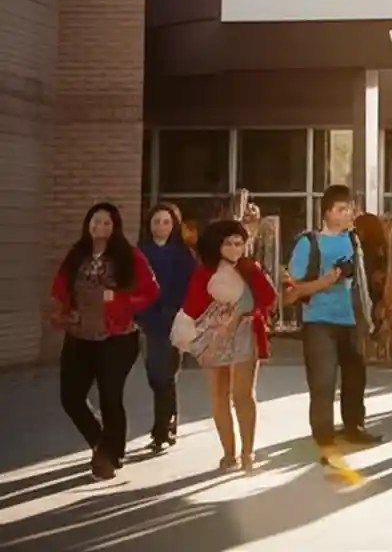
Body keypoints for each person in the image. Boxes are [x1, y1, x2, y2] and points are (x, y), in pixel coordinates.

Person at [49, 202, 160, 480]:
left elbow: (150, 291)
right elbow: (60, 287)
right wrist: (63, 311)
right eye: (96, 222)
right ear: (88, 225)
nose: (101, 227)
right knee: (71, 397)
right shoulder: (77, 254)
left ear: (115, 227)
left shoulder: (129, 256)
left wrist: (121, 301)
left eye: (107, 223)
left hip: (118, 336)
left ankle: (111, 454)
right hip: (80, 334)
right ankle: (102, 442)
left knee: (110, 396)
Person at [284, 185, 381, 467]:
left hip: (351, 319)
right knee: (323, 382)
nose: (347, 213)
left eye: (350, 208)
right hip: (319, 321)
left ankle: (354, 427)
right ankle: (325, 439)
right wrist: (329, 279)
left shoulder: (355, 241)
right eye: (341, 209)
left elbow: (362, 281)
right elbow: (290, 292)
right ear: (327, 213)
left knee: (355, 378)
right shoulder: (309, 243)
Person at [182, 220, 277, 472]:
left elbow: (268, 297)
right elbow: (192, 305)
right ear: (217, 245)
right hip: (214, 334)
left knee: (242, 394)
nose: (235, 248)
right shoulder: (204, 272)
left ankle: (248, 452)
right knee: (218, 394)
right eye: (229, 243)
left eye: (239, 242)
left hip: (245, 331)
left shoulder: (249, 268)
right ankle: (228, 453)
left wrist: (246, 306)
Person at [136, 202, 196, 453]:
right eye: (156, 222)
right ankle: (166, 421)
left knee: (166, 372)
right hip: (147, 319)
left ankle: (165, 426)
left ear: (174, 226)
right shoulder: (141, 252)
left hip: (173, 318)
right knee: (154, 372)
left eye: (166, 222)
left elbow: (190, 288)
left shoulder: (183, 254)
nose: (160, 227)